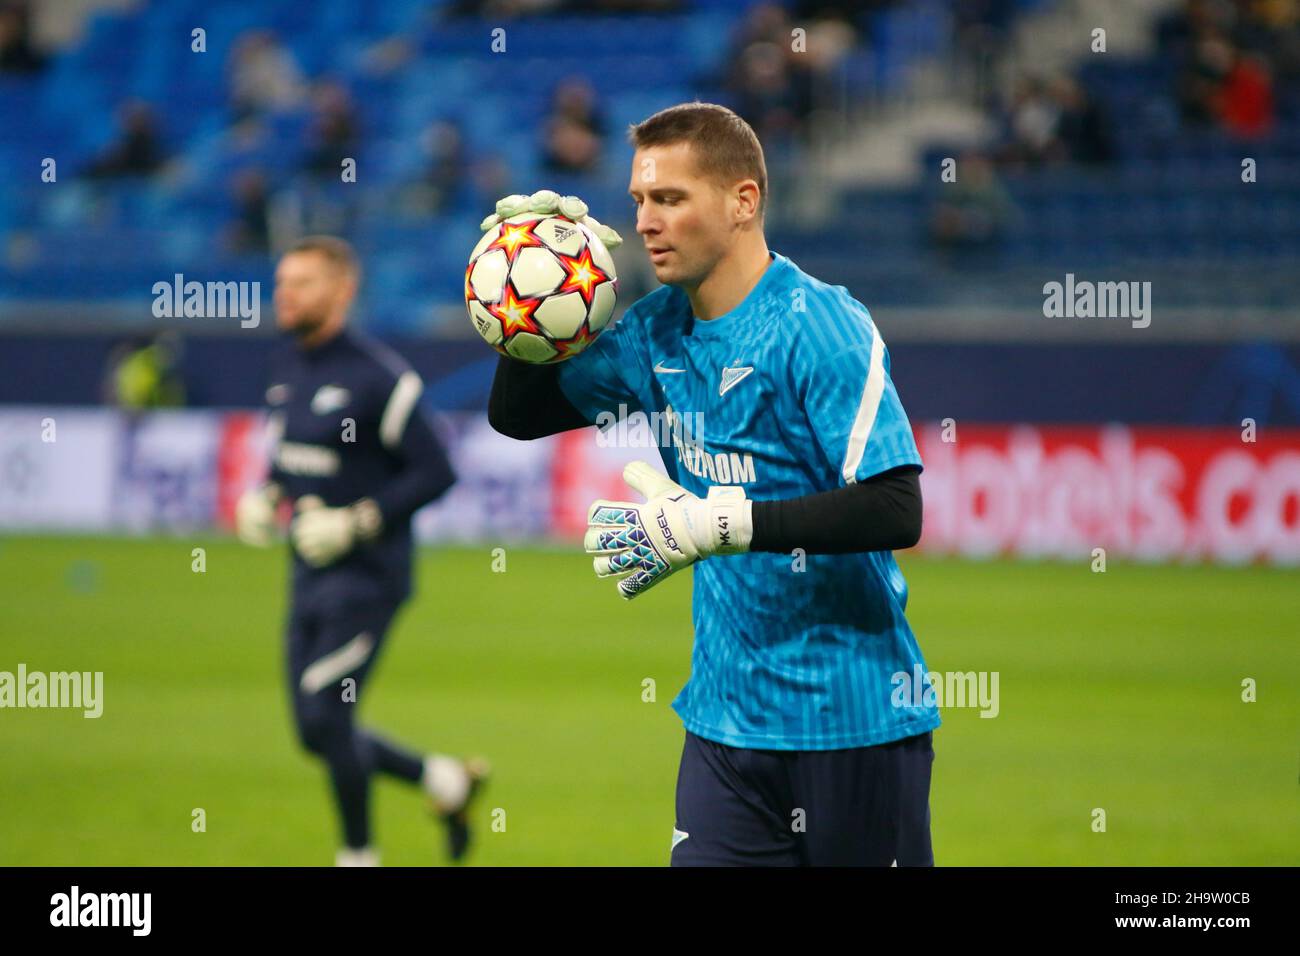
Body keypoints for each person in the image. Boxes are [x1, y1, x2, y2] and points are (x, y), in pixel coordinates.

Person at [486, 103, 938, 866]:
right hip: (724, 728)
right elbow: (518, 416)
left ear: (742, 201)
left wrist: (725, 525)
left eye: (669, 199)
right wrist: (527, 296)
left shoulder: (818, 324)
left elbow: (896, 506)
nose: (646, 223)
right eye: (637, 202)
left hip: (852, 721)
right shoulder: (656, 329)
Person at [236, 236, 487, 866]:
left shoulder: (380, 378)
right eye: (281, 282)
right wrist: (266, 495)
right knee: (315, 732)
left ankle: (358, 856)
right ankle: (444, 781)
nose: (285, 295)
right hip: (308, 573)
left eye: (302, 283)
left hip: (369, 579)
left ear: (342, 291)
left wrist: (358, 522)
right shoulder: (286, 366)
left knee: (327, 715)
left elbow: (436, 471)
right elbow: (292, 460)